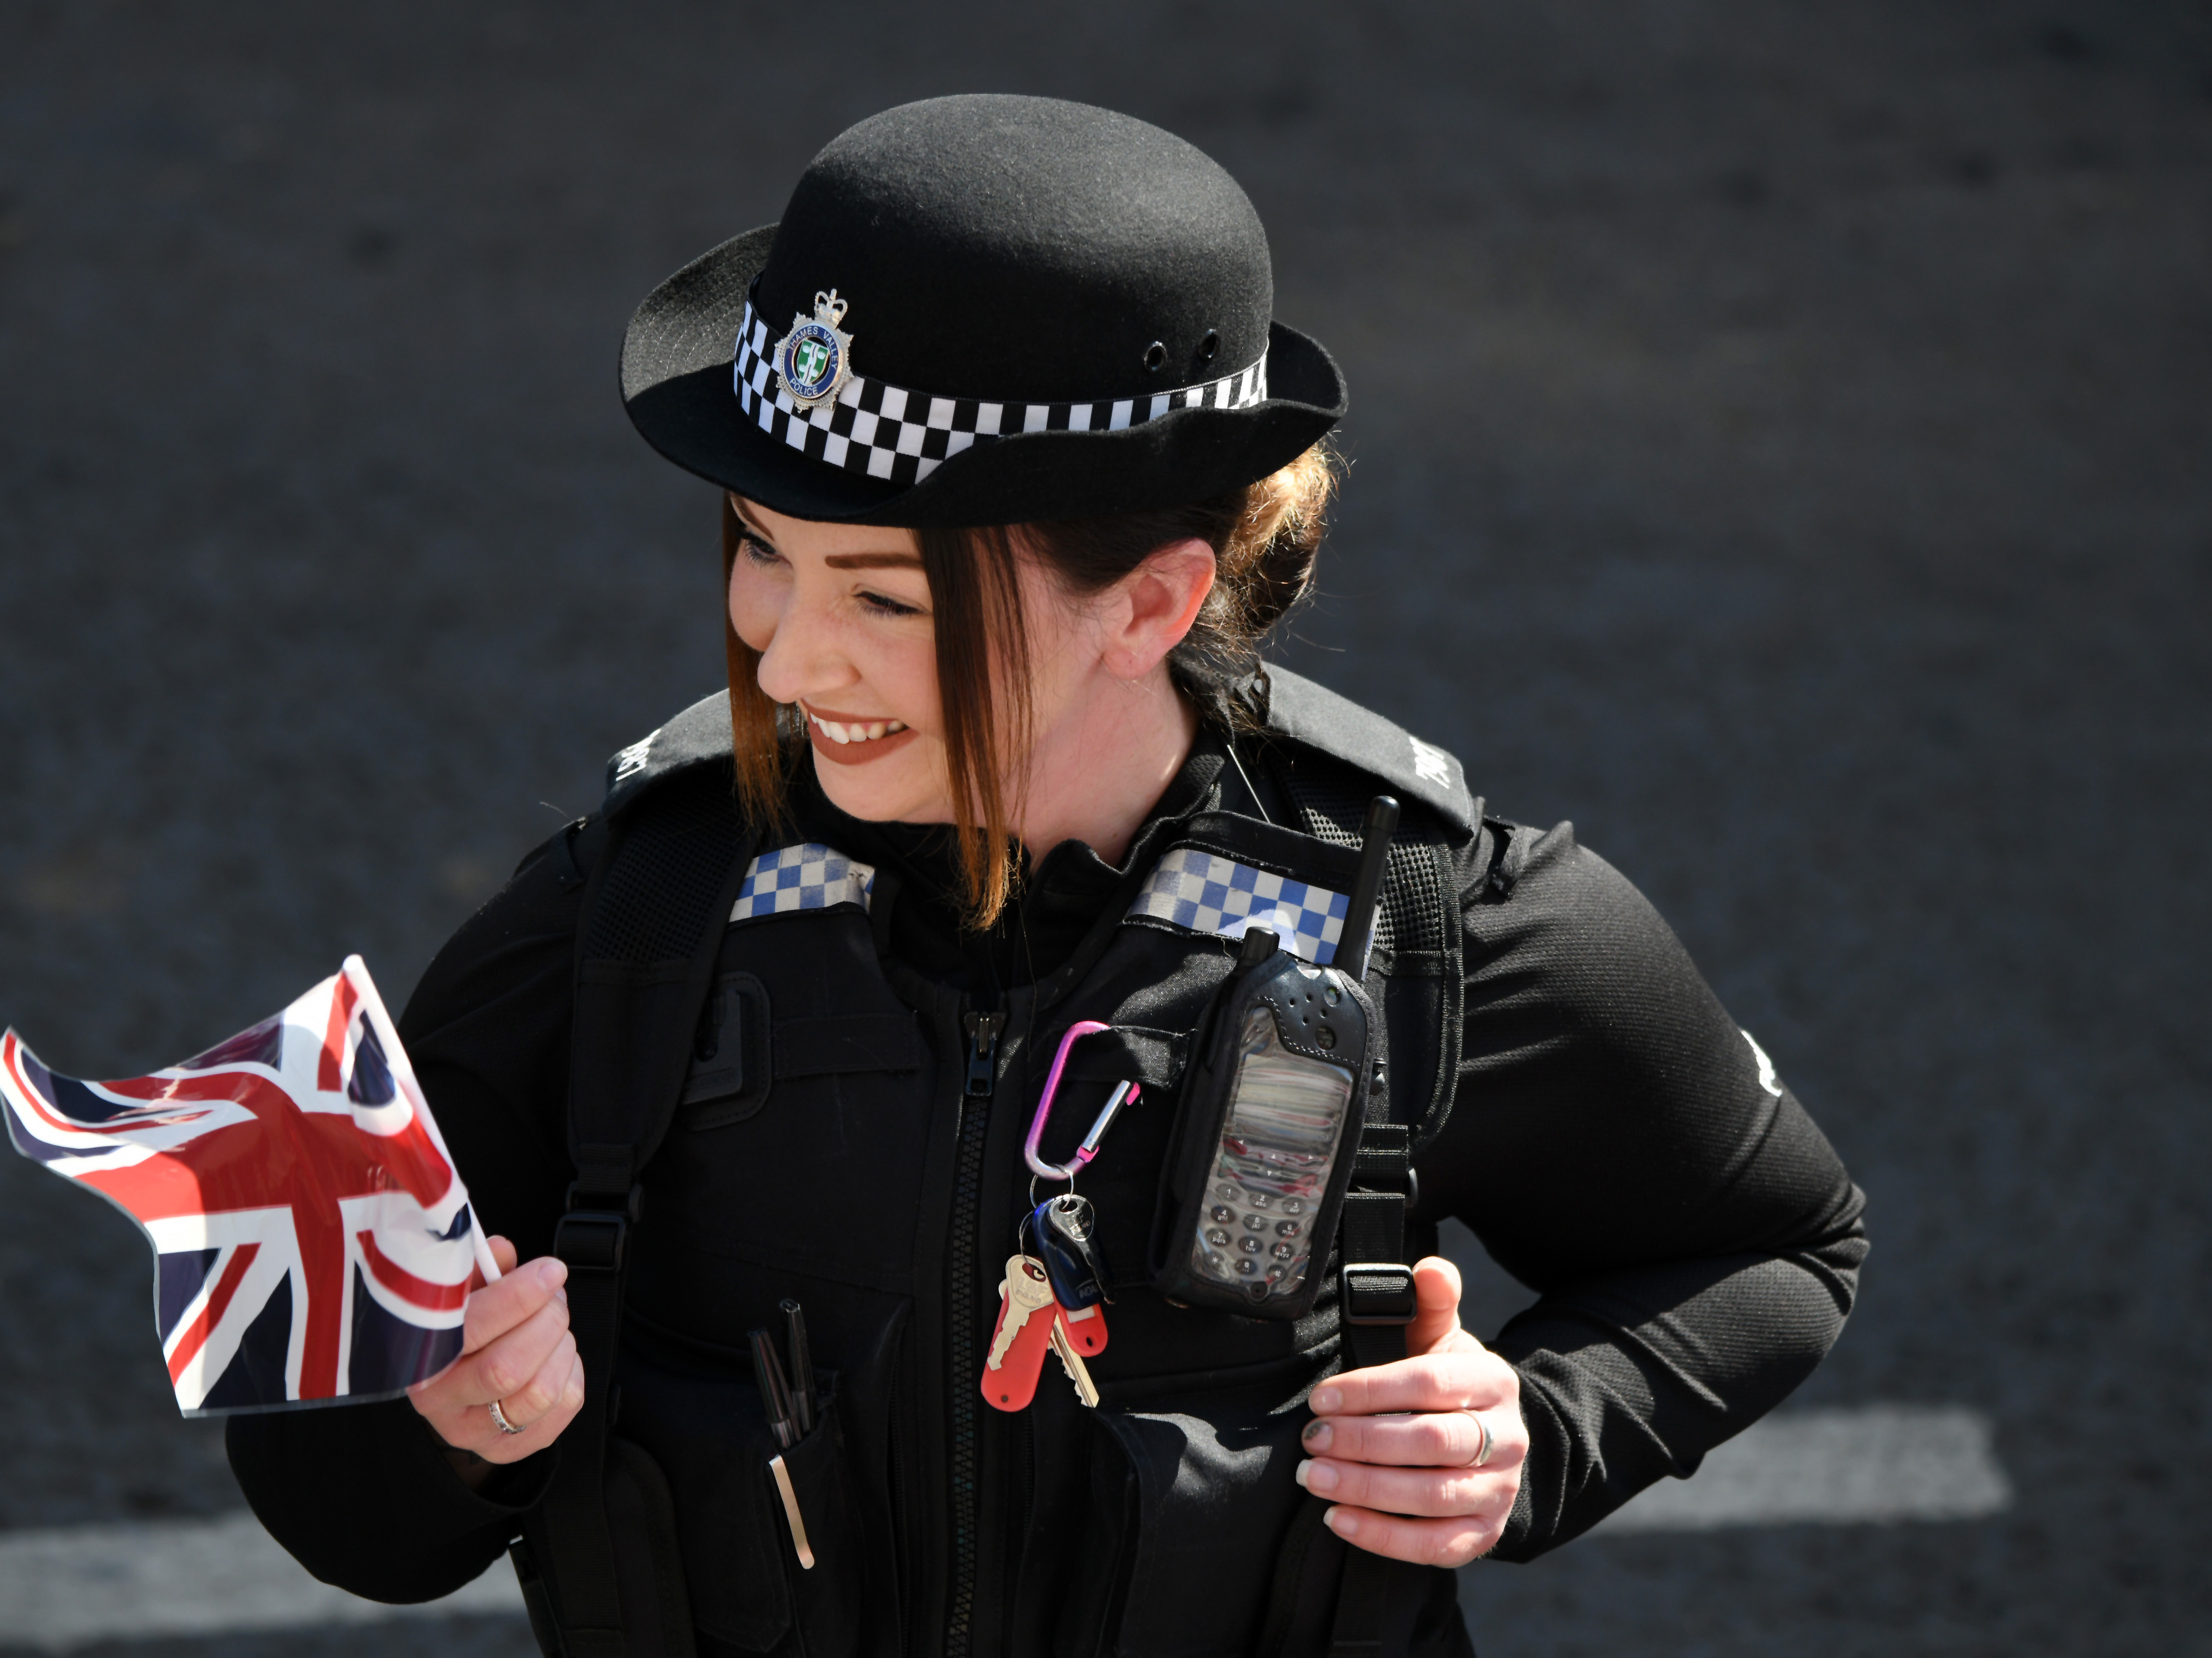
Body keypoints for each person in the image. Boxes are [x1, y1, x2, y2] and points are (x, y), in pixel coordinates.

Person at [228, 95, 1866, 1658]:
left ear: (1149, 606)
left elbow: (1773, 1249)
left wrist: (1537, 1434)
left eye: (883, 596)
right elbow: (342, 1497)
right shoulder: (632, 926)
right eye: (759, 546)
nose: (787, 659)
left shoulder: (1423, 920)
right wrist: (456, 1440)